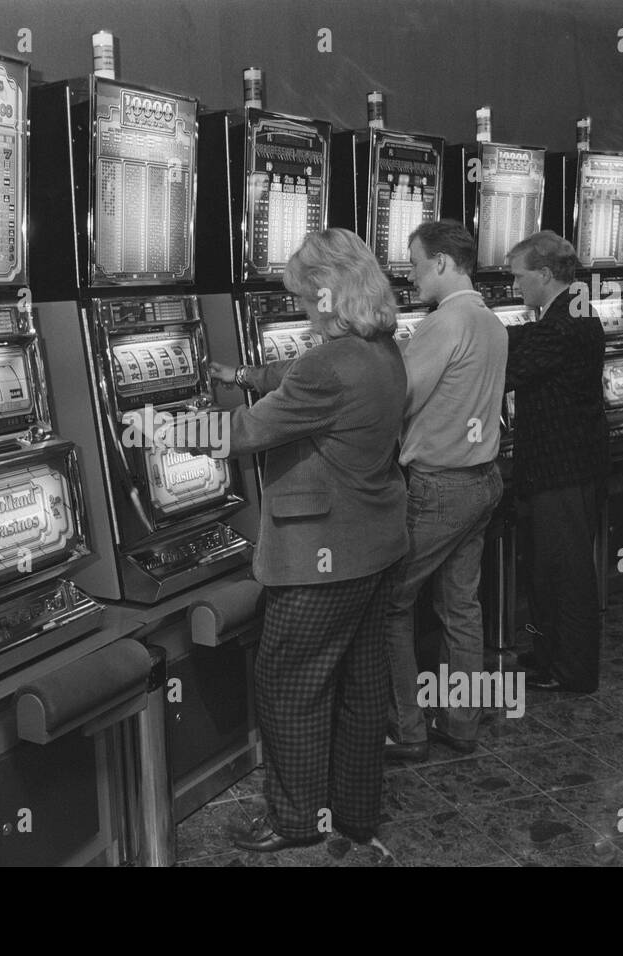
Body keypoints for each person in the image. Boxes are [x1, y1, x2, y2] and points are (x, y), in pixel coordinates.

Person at [197, 227, 409, 851]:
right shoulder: (382, 344)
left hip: (324, 557)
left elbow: (244, 434)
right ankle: (354, 812)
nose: (297, 307)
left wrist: (163, 424)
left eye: (300, 296)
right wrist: (246, 372)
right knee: (363, 688)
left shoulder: (328, 363)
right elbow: (309, 379)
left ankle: (294, 821)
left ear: (326, 294)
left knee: (290, 685)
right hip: (379, 545)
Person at [382, 221, 507, 762]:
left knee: (390, 602)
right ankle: (462, 722)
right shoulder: (492, 321)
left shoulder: (444, 323)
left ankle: (406, 730)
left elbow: (396, 398)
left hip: (438, 487)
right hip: (483, 480)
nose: (410, 277)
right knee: (461, 607)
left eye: (414, 265)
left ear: (442, 264)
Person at [504, 230, 609, 693]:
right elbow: (527, 335)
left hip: (562, 467)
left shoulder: (564, 322)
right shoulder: (570, 309)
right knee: (550, 567)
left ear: (544, 274)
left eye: (519, 277)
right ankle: (549, 657)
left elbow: (513, 371)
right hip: (567, 463)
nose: (515, 287)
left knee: (568, 572)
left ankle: (574, 671)